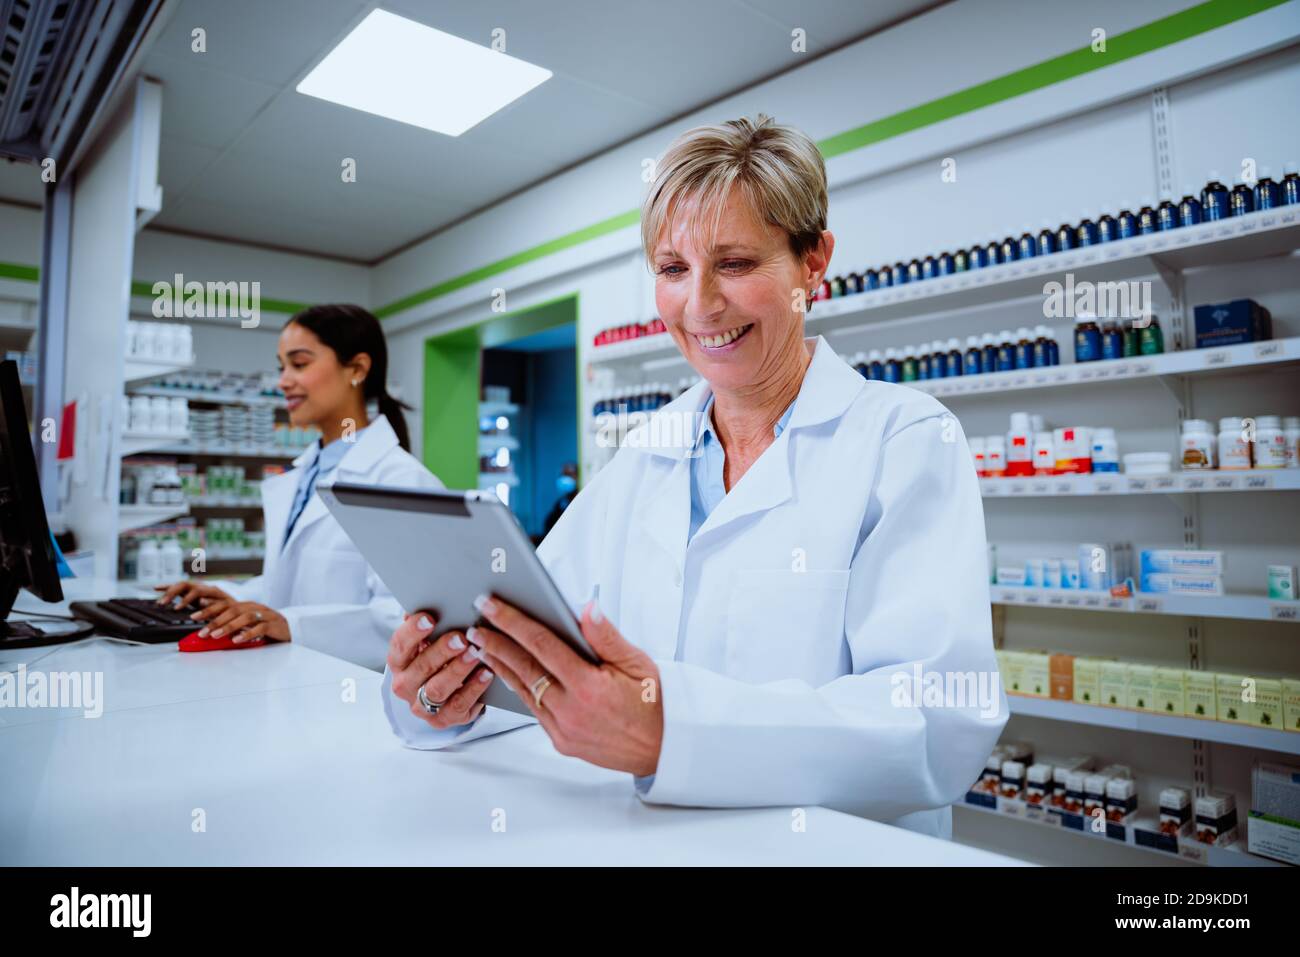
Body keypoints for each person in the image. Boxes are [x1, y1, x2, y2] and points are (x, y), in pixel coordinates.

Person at [380, 116, 1006, 837]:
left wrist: (672, 731)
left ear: (813, 261)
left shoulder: (904, 440)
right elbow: (524, 650)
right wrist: (437, 693)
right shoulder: (644, 458)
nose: (700, 305)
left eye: (735, 263)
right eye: (672, 269)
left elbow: (938, 720)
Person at [157, 304, 441, 670]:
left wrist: (293, 625)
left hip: (353, 698)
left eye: (300, 364)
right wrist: (230, 596)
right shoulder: (304, 473)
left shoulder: (403, 482)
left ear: (356, 369)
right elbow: (290, 586)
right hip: (290, 680)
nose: (283, 381)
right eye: (281, 367)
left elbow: (407, 618)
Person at [541, 462, 578, 536]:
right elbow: (549, 525)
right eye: (563, 475)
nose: (565, 479)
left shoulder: (582, 500)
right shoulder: (560, 504)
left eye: (569, 475)